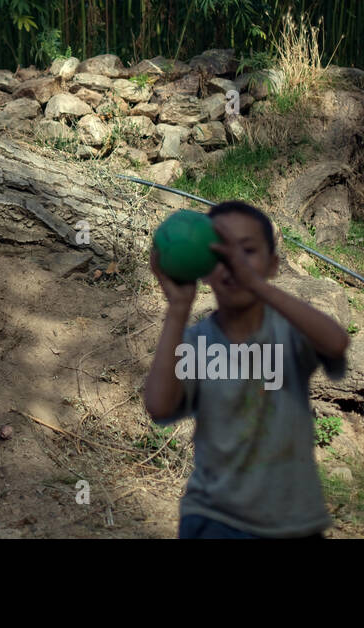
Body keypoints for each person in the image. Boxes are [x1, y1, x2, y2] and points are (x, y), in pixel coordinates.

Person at [142, 201, 350, 538]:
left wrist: (257, 285)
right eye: (223, 256)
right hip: (215, 518)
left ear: (273, 265)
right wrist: (178, 308)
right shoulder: (197, 342)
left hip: (296, 521)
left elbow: (336, 342)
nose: (234, 266)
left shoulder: (289, 331)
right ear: (206, 267)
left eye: (247, 252)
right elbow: (159, 407)